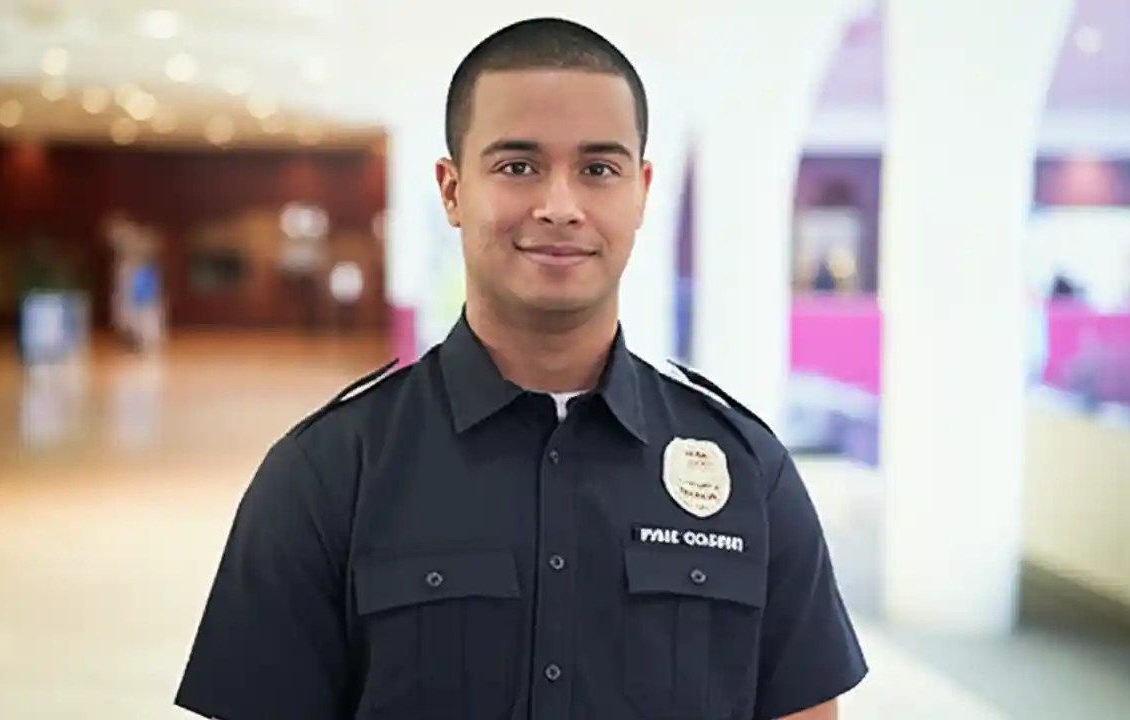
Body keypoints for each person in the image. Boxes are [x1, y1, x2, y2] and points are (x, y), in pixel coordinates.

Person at [175, 17, 867, 720]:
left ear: (641, 191)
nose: (560, 207)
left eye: (598, 170)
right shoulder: (327, 472)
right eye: (517, 167)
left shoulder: (749, 472)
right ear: (451, 190)